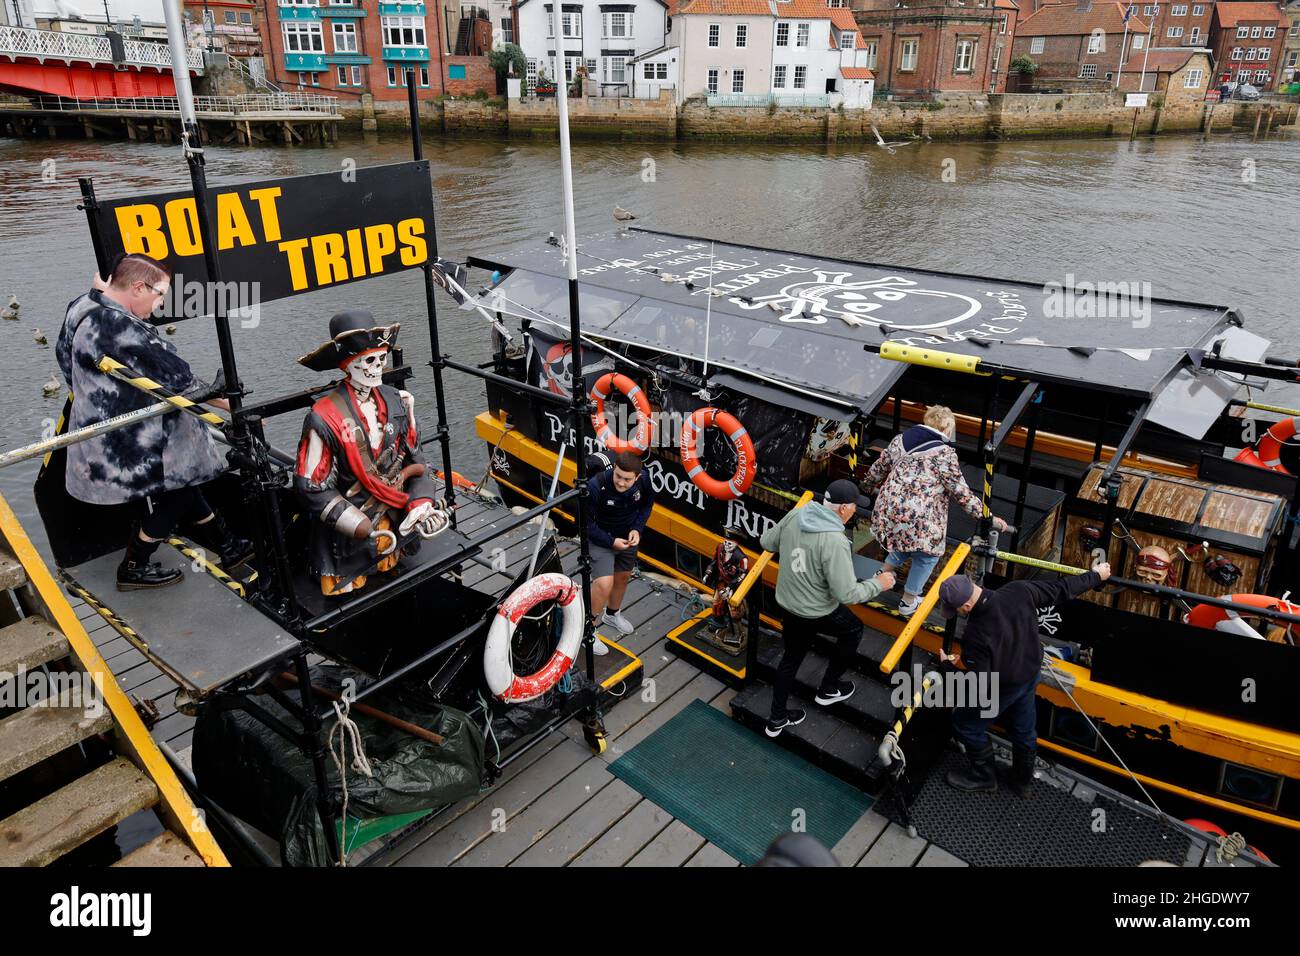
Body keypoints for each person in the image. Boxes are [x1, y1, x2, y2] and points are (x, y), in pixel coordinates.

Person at [57, 253, 250, 591]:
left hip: (100, 430)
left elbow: (63, 357)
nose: (160, 305)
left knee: (187, 482)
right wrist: (235, 404)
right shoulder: (121, 327)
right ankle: (134, 566)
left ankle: (227, 544)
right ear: (137, 287)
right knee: (176, 491)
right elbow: (181, 381)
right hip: (131, 442)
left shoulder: (81, 307)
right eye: (159, 294)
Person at [294, 309, 448, 595]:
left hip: (395, 525)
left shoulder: (399, 403)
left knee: (394, 580)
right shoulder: (324, 417)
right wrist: (360, 525)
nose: (377, 367)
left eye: (382, 358)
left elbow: (417, 461)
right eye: (368, 361)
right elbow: (312, 487)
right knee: (347, 598)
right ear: (347, 365)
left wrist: (421, 504)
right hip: (348, 539)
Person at [938, 561, 1111, 797]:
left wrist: (948, 667)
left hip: (1003, 688)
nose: (955, 614)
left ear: (966, 605)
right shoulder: (1019, 590)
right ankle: (1022, 782)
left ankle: (984, 777)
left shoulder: (975, 634)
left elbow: (980, 685)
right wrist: (1095, 576)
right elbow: (1062, 588)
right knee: (1024, 731)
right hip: (1029, 676)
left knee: (965, 725)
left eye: (955, 609)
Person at [760, 479, 896, 738]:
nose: (856, 511)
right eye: (855, 506)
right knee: (853, 629)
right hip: (817, 612)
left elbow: (767, 542)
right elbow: (846, 593)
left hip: (789, 606)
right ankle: (828, 688)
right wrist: (878, 583)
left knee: (790, 660)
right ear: (843, 508)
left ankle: (776, 719)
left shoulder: (797, 514)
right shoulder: (835, 541)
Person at [862, 404, 1007, 617]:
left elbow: (878, 468)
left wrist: (865, 487)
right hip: (920, 516)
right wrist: (987, 517)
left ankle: (883, 575)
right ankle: (909, 601)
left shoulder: (899, 440)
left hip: (888, 509)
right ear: (947, 427)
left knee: (903, 538)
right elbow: (960, 492)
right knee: (926, 554)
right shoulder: (944, 453)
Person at [585, 450, 654, 654]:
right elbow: (584, 524)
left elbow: (647, 504)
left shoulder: (644, 481)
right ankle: (589, 631)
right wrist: (610, 541)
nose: (621, 483)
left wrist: (637, 529)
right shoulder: (595, 486)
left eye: (627, 479)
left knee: (623, 576)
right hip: (601, 538)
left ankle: (612, 614)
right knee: (603, 584)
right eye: (618, 476)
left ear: (637, 477)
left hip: (626, 536)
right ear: (614, 469)